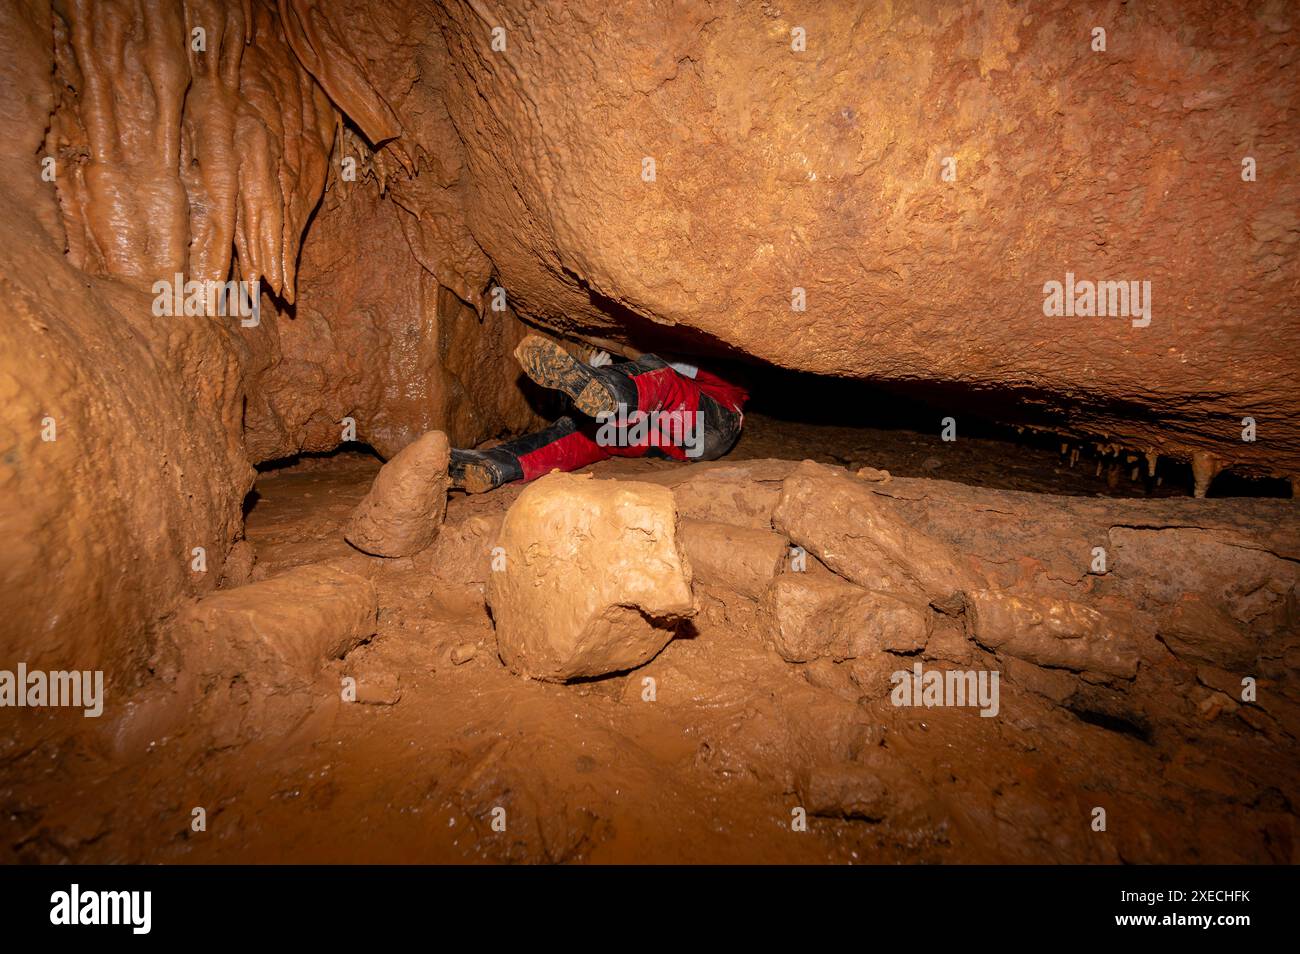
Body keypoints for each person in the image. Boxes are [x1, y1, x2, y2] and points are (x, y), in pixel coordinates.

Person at [449, 334, 748, 493]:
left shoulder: (730, 387)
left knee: (662, 377)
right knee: (580, 433)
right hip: (658, 438)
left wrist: (617, 365)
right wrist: (597, 371)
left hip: (708, 425)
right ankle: (498, 465)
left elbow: (677, 374)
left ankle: (608, 388)